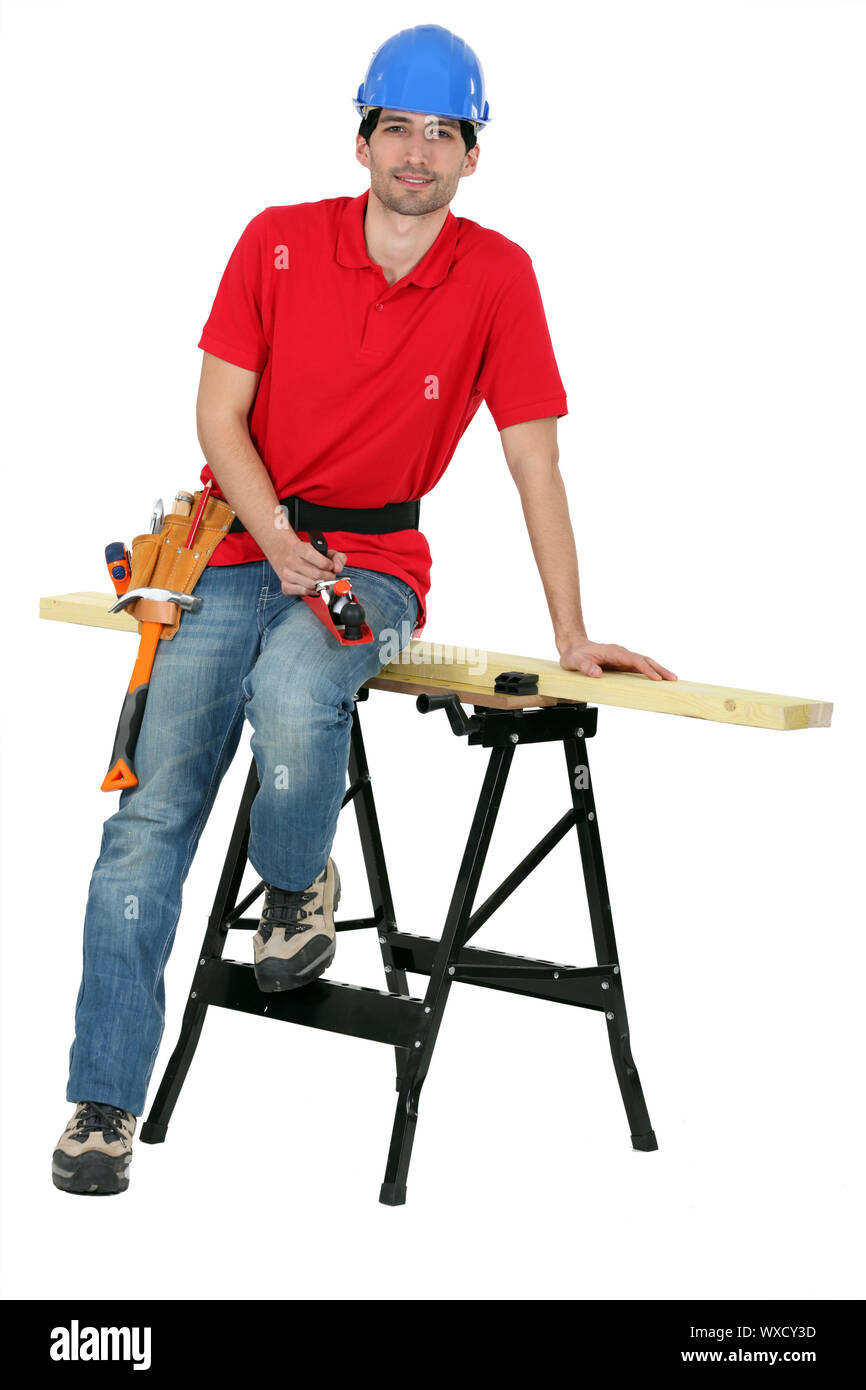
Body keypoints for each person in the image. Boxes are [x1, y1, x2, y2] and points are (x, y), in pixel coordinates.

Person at [53, 22, 676, 1197]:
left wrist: (569, 633)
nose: (417, 152)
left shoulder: (497, 275)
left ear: (471, 158)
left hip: (378, 558)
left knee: (297, 688)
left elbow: (533, 460)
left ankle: (295, 892)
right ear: (363, 138)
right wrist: (276, 540)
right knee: (145, 826)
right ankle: (99, 1103)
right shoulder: (275, 243)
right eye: (399, 127)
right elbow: (217, 419)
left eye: (443, 134)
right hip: (229, 541)